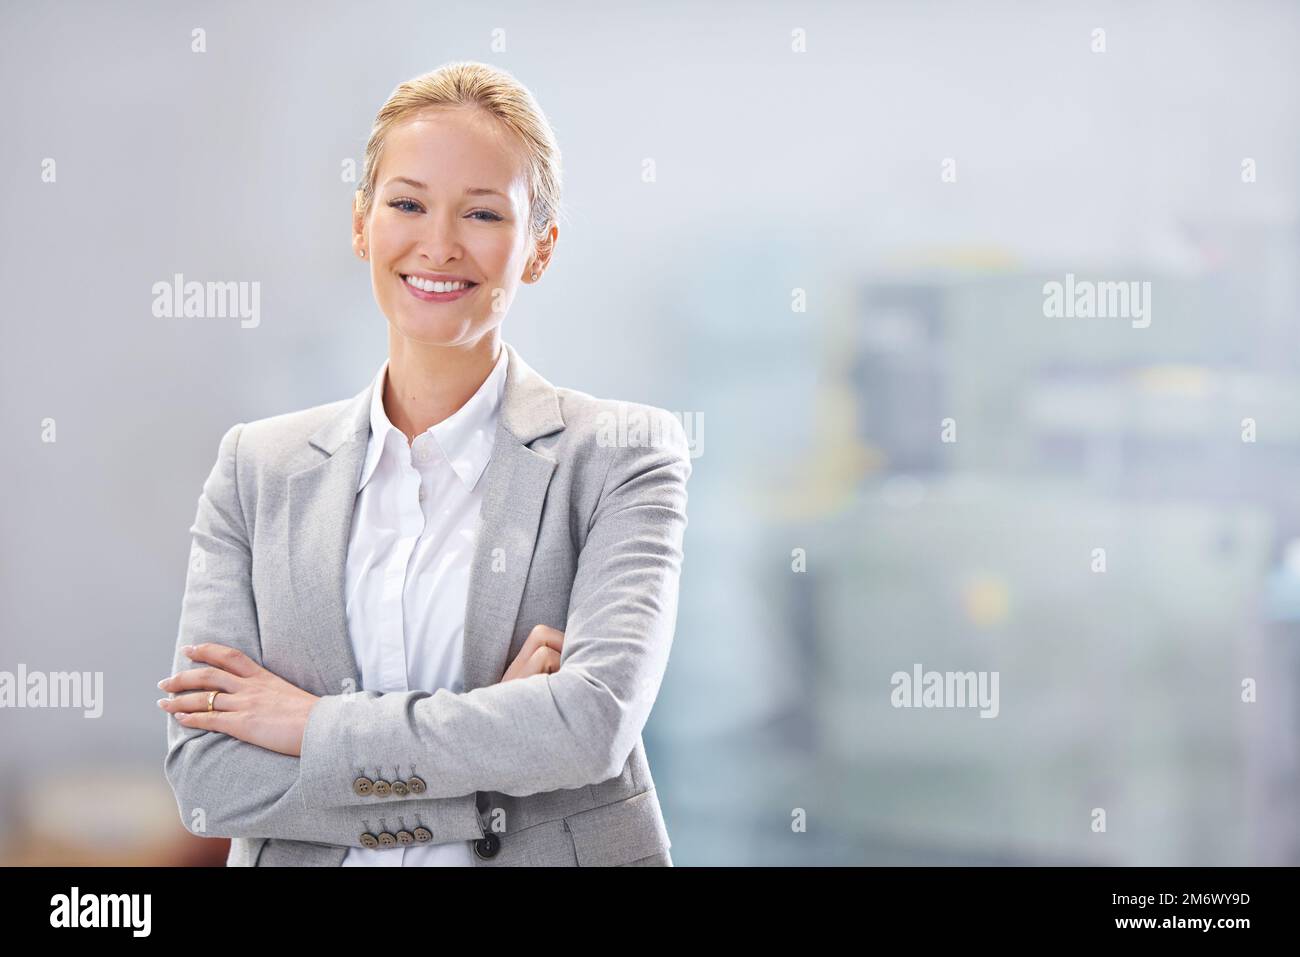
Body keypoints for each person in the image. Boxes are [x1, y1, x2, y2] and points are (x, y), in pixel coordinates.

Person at [157, 61, 691, 867]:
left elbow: (589, 727)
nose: (438, 244)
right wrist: (495, 754)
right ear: (362, 222)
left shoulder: (621, 454)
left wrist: (307, 725)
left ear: (539, 250)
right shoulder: (255, 469)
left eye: (481, 213)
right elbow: (210, 779)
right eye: (407, 203)